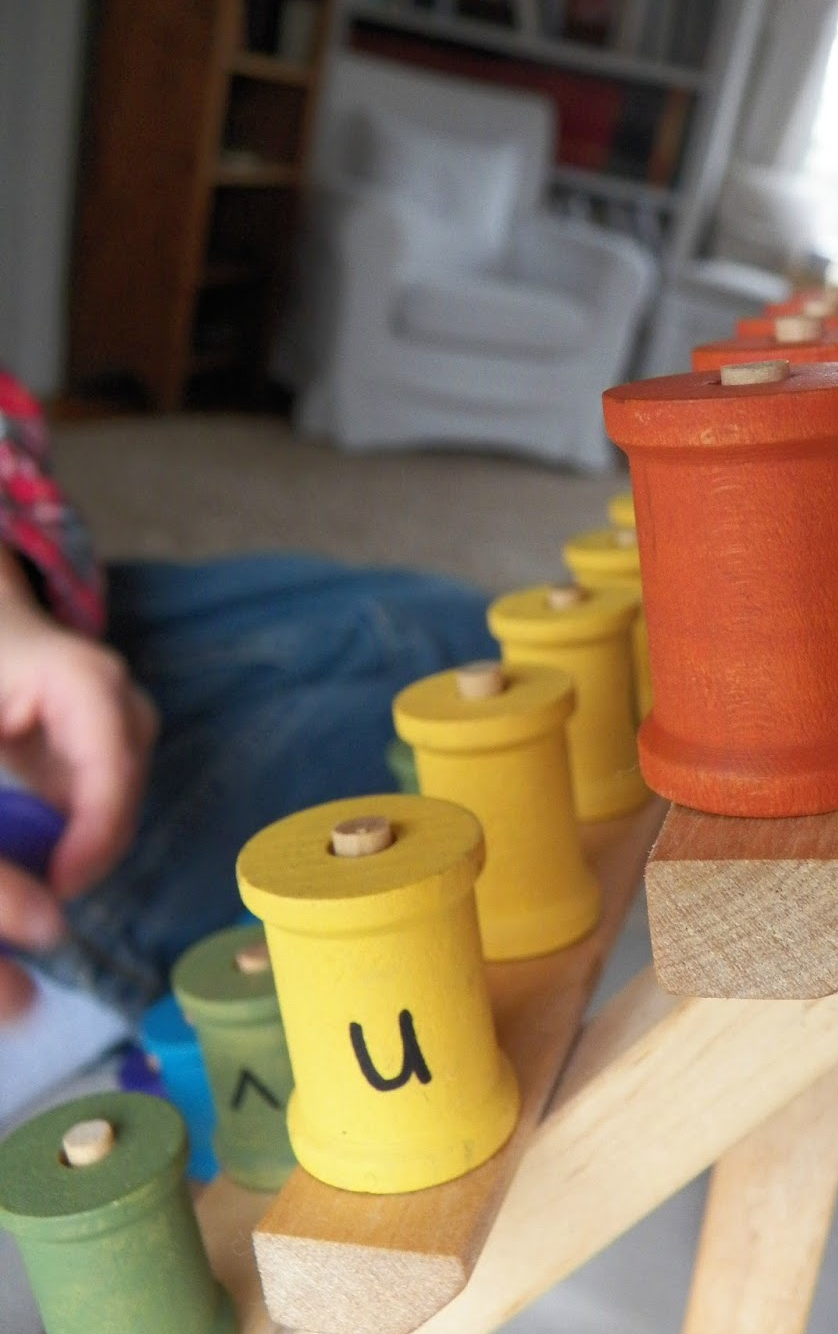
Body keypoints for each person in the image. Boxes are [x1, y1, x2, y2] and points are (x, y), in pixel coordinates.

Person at [0, 372, 495, 1021]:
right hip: (47, 876)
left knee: (475, 637)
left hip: (63, 621)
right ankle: (92, 993)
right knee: (480, 745)